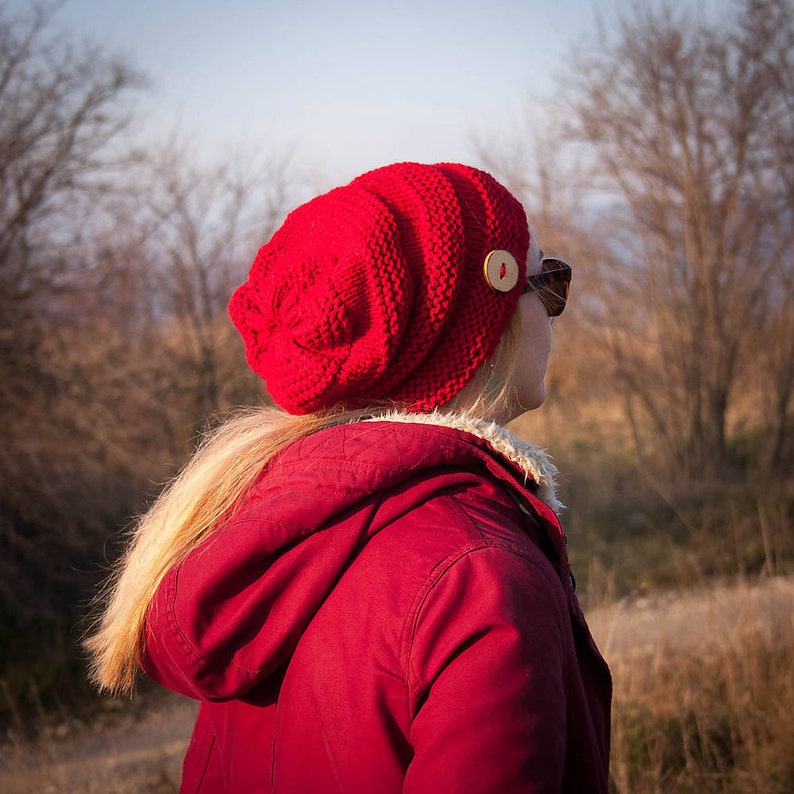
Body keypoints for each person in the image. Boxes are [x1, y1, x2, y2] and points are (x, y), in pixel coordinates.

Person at [86, 162, 611, 793]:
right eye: (547, 283)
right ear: (486, 312)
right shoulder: (481, 576)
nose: (553, 314)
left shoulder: (255, 529)